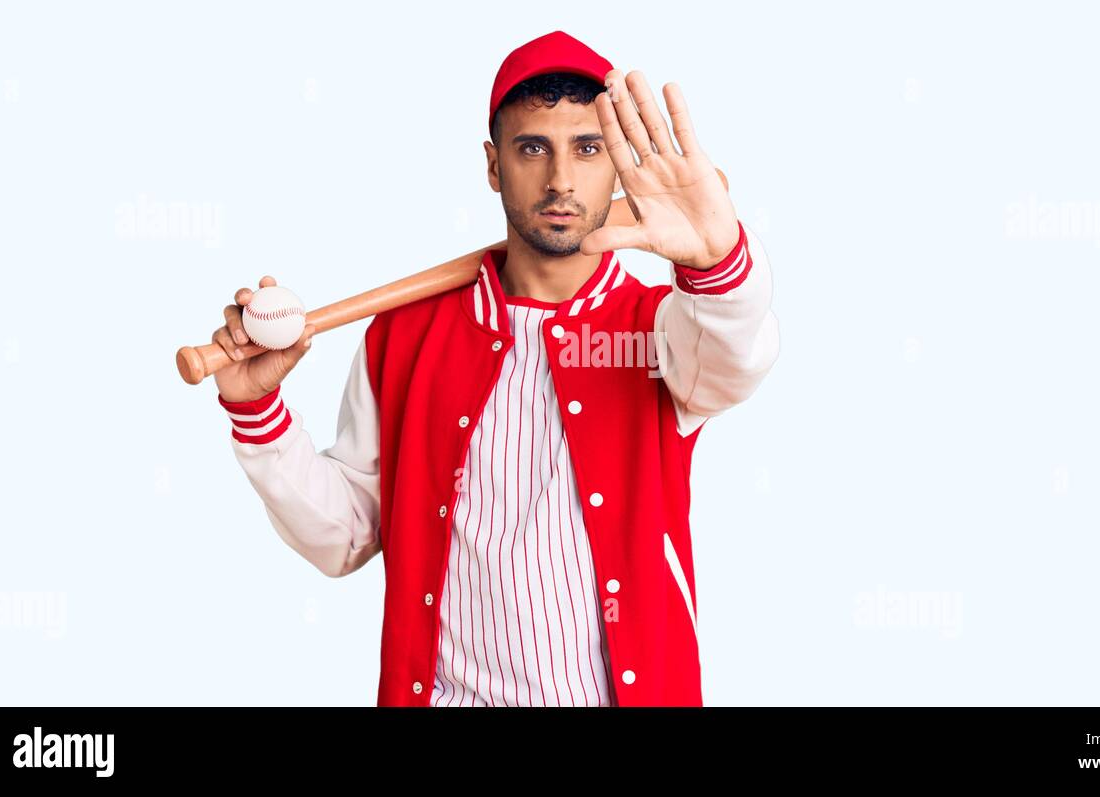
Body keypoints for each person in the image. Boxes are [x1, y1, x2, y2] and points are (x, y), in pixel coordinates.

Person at [208, 30, 779, 706]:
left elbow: (736, 356)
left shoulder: (658, 329)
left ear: (618, 169)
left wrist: (716, 263)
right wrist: (257, 412)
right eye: (532, 147)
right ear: (493, 165)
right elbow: (347, 533)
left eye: (588, 148)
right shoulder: (406, 335)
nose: (561, 179)